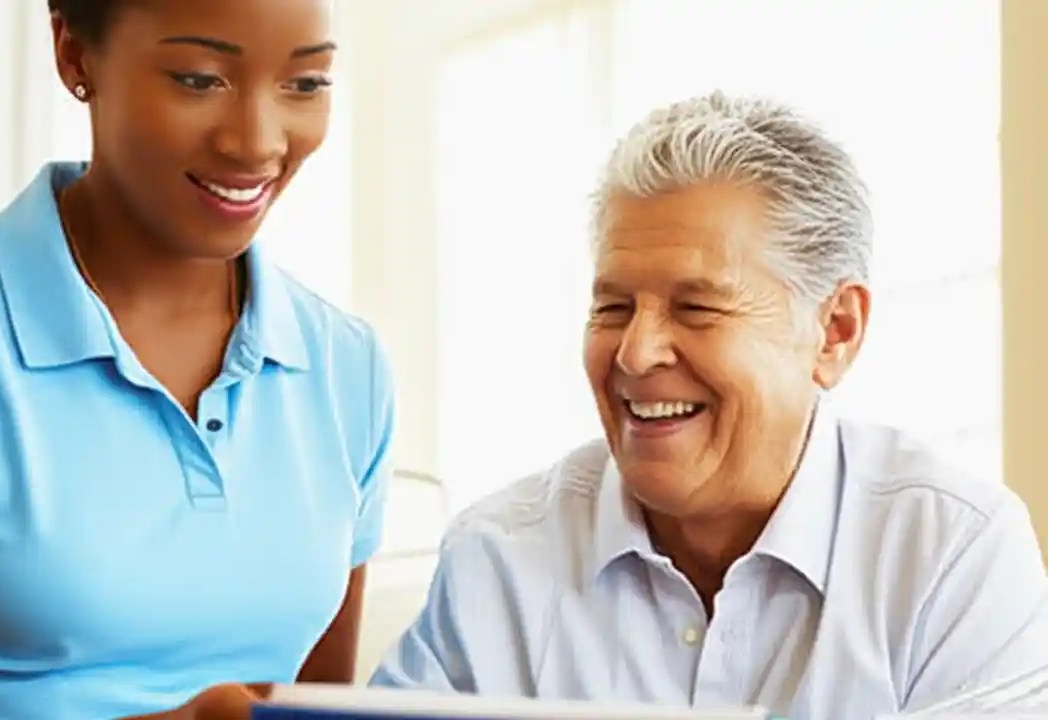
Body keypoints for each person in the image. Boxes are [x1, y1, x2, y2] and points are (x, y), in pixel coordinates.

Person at [0, 1, 394, 718]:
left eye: (306, 84)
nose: (256, 142)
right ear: (73, 52)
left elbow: (313, 708)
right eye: (199, 79)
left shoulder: (348, 368)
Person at [369, 93, 1048, 718]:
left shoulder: (949, 553)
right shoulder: (498, 558)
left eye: (696, 308)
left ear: (835, 331)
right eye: (614, 307)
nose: (636, 353)